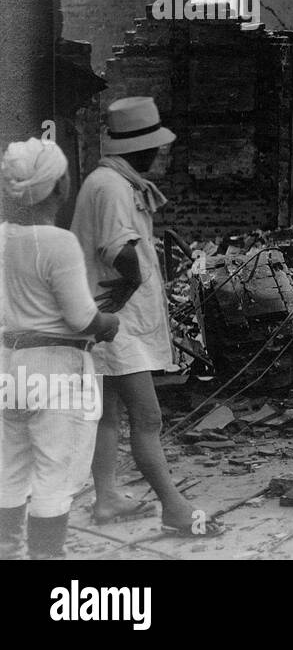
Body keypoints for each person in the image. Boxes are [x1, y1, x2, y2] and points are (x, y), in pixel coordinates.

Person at [71, 97, 213, 535]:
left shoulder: (110, 180)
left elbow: (122, 239)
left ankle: (108, 498)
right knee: (147, 418)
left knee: (109, 414)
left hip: (108, 319)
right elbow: (119, 249)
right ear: (141, 149)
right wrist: (132, 284)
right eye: (154, 147)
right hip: (118, 323)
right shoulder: (112, 187)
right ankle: (175, 507)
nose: (158, 154)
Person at [1, 139, 120, 559]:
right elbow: (82, 320)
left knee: (9, 471)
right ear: (60, 186)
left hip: (9, 365)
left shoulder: (2, 238)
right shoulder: (58, 243)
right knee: (54, 475)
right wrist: (109, 323)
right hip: (55, 369)